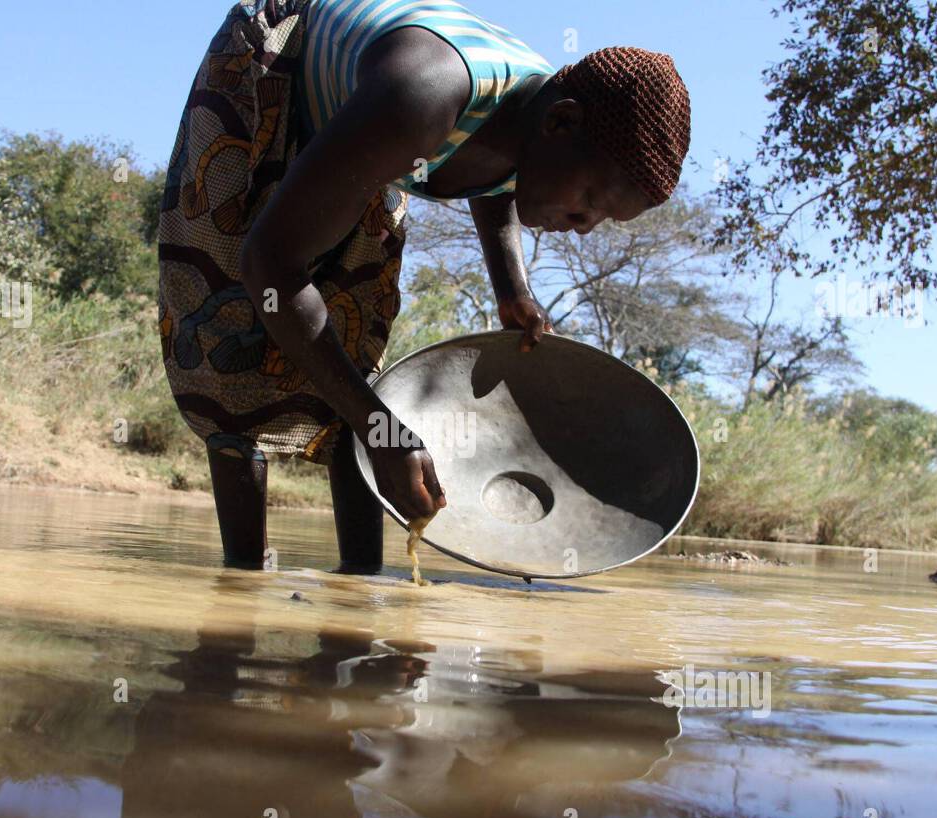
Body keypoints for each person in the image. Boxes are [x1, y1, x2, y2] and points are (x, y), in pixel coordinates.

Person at [158, 0, 690, 571]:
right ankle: (243, 577)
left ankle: (360, 582)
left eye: (604, 219)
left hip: (370, 132)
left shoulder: (540, 119)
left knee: (353, 348)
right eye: (590, 200)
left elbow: (496, 174)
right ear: (560, 123)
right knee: (231, 317)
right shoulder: (420, 94)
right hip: (278, 64)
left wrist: (512, 287)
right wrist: (381, 430)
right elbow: (269, 266)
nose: (585, 226)